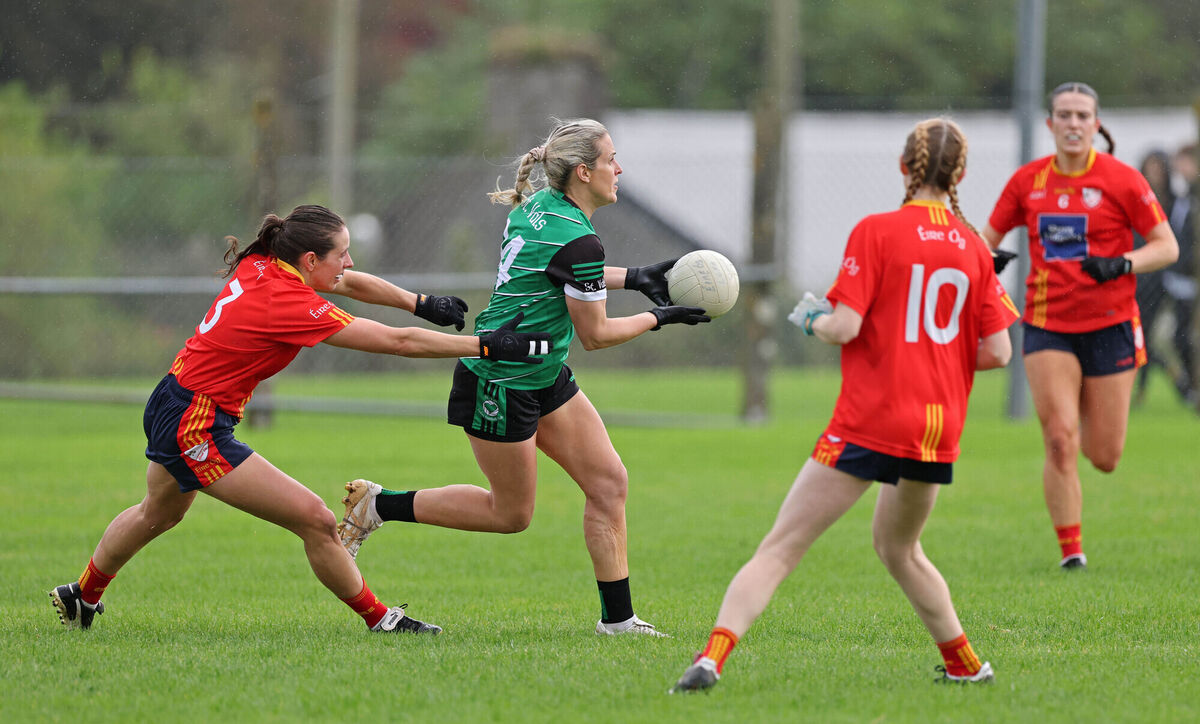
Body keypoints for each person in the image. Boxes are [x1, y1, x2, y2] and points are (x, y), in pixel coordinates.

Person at [49, 204, 551, 635]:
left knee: (157, 512)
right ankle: (383, 621)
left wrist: (419, 302)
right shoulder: (289, 301)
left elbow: (349, 283)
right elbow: (396, 344)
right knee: (314, 518)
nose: (349, 263)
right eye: (341, 253)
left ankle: (81, 597)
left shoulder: (269, 265)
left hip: (174, 399)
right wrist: (486, 345)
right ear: (311, 260)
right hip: (194, 423)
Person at [670, 118, 1019, 693]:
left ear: (904, 168)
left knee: (782, 547)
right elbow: (999, 352)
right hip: (935, 427)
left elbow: (843, 326)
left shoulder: (877, 231)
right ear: (960, 175)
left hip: (873, 417)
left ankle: (711, 657)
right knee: (900, 548)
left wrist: (809, 317)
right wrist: (936, 354)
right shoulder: (974, 249)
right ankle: (965, 664)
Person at [336, 118, 710, 637]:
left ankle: (618, 621)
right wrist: (657, 317)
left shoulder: (541, 206)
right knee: (510, 514)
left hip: (543, 371)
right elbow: (595, 334)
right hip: (500, 379)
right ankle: (378, 505)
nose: (619, 169)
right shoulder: (577, 238)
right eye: (610, 160)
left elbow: (558, 267)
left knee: (608, 483)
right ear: (583, 172)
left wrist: (635, 277)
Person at [979, 82, 1179, 570]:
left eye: (1081, 115)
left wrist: (1122, 264)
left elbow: (1166, 246)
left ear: (1096, 124)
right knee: (1059, 440)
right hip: (1049, 325)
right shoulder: (1027, 182)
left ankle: (1092, 411)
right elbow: (984, 238)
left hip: (1112, 325)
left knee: (1104, 454)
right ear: (1049, 124)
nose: (1072, 123)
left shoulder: (1123, 180)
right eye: (1063, 115)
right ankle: (1072, 552)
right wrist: (988, 257)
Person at [1132, 150, 1173, 405]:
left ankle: (1146, 387)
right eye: (1151, 168)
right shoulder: (1136, 200)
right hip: (1138, 276)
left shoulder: (1172, 202)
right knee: (1140, 336)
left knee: (1146, 336)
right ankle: (1169, 376)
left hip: (1161, 280)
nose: (1154, 173)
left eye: (1159, 168)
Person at [1162, 144, 1198, 404]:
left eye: (1183, 161)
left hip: (1190, 282)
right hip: (1175, 281)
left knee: (1188, 339)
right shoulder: (1181, 197)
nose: (1177, 167)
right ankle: (1188, 387)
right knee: (1167, 339)